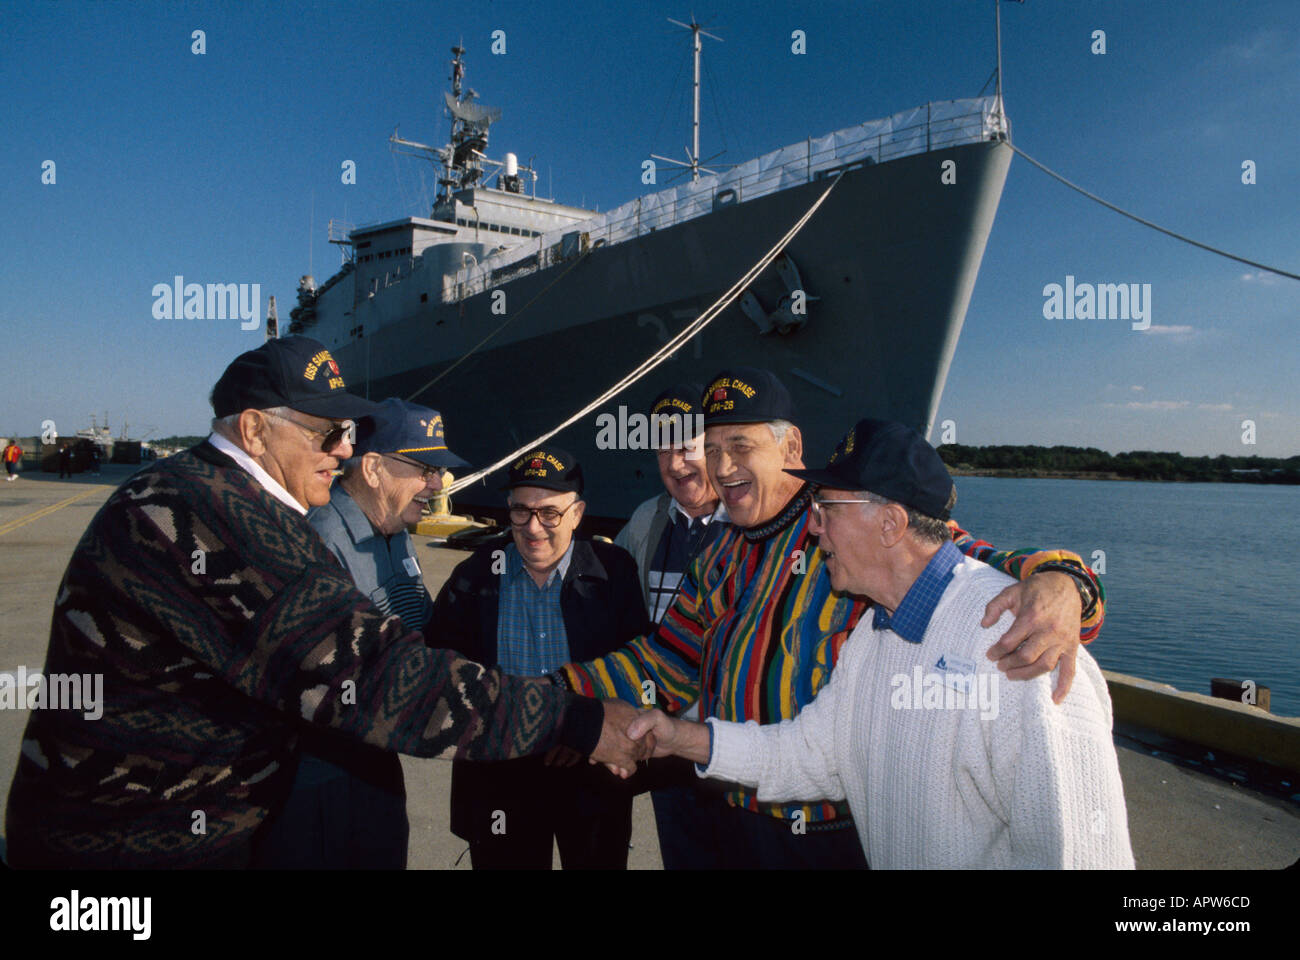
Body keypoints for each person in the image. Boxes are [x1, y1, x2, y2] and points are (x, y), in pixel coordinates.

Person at [3, 336, 647, 869]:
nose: (343, 448)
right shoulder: (217, 516)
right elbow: (371, 673)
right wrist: (579, 722)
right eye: (326, 432)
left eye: (345, 433)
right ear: (254, 430)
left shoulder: (213, 495)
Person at [556, 367, 1105, 869]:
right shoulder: (718, 556)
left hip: (823, 833)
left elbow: (955, 556)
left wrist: (1067, 584)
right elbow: (664, 662)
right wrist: (555, 697)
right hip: (720, 804)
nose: (721, 468)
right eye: (714, 448)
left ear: (790, 445)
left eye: (740, 445)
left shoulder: (852, 529)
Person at [252, 396, 468, 869]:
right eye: (425, 468)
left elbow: (416, 627)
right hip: (318, 767)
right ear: (372, 468)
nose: (436, 483)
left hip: (372, 751)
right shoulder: (321, 541)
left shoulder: (392, 530)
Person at [429, 445, 650, 869]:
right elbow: (443, 672)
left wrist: (584, 727)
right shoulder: (474, 575)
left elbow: (638, 664)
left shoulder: (613, 572)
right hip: (500, 775)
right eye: (520, 512)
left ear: (578, 513)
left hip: (590, 772)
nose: (533, 528)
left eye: (550, 513)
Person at [613, 383, 728, 869]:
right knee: (682, 850)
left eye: (688, 447)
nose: (676, 464)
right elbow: (611, 599)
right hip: (665, 728)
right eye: (665, 447)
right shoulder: (647, 520)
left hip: (734, 733)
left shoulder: (748, 521)